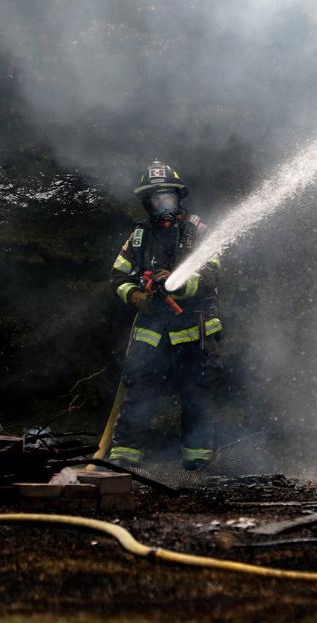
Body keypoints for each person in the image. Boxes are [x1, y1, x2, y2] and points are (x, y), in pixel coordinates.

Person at [108, 160, 224, 471]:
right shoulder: (139, 237)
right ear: (148, 203)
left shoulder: (198, 231)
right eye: (156, 200)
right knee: (139, 395)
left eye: (168, 198)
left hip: (195, 331)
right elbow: (118, 276)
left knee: (196, 397)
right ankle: (123, 464)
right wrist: (135, 295)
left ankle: (198, 468)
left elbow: (212, 273)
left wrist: (180, 284)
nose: (163, 206)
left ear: (178, 198)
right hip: (151, 332)